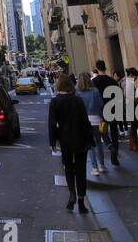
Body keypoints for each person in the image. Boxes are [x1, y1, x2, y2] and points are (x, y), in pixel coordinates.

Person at [48, 74, 94, 212]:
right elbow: (85, 122)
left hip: (65, 139)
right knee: (81, 171)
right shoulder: (78, 100)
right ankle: (81, 201)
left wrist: (52, 142)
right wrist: (90, 140)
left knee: (68, 168)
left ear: (58, 86)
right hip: (80, 139)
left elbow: (52, 124)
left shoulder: (55, 102)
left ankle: (72, 193)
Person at [91, 60, 121, 167]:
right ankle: (115, 157)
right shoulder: (113, 81)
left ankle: (108, 145)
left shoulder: (94, 82)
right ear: (105, 68)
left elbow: (93, 97)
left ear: (97, 68)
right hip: (113, 109)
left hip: (101, 111)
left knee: (103, 131)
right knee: (114, 132)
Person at [76, 72, 106, 176]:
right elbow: (101, 105)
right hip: (97, 120)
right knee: (99, 143)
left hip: (85, 122)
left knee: (90, 146)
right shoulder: (95, 91)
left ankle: (95, 168)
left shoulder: (78, 93)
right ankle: (102, 165)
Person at [122, 67, 138, 151]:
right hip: (131, 107)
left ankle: (132, 145)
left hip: (128, 107)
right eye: (136, 77)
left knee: (133, 126)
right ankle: (135, 145)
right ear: (132, 75)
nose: (136, 79)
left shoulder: (123, 81)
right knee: (134, 126)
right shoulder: (128, 83)